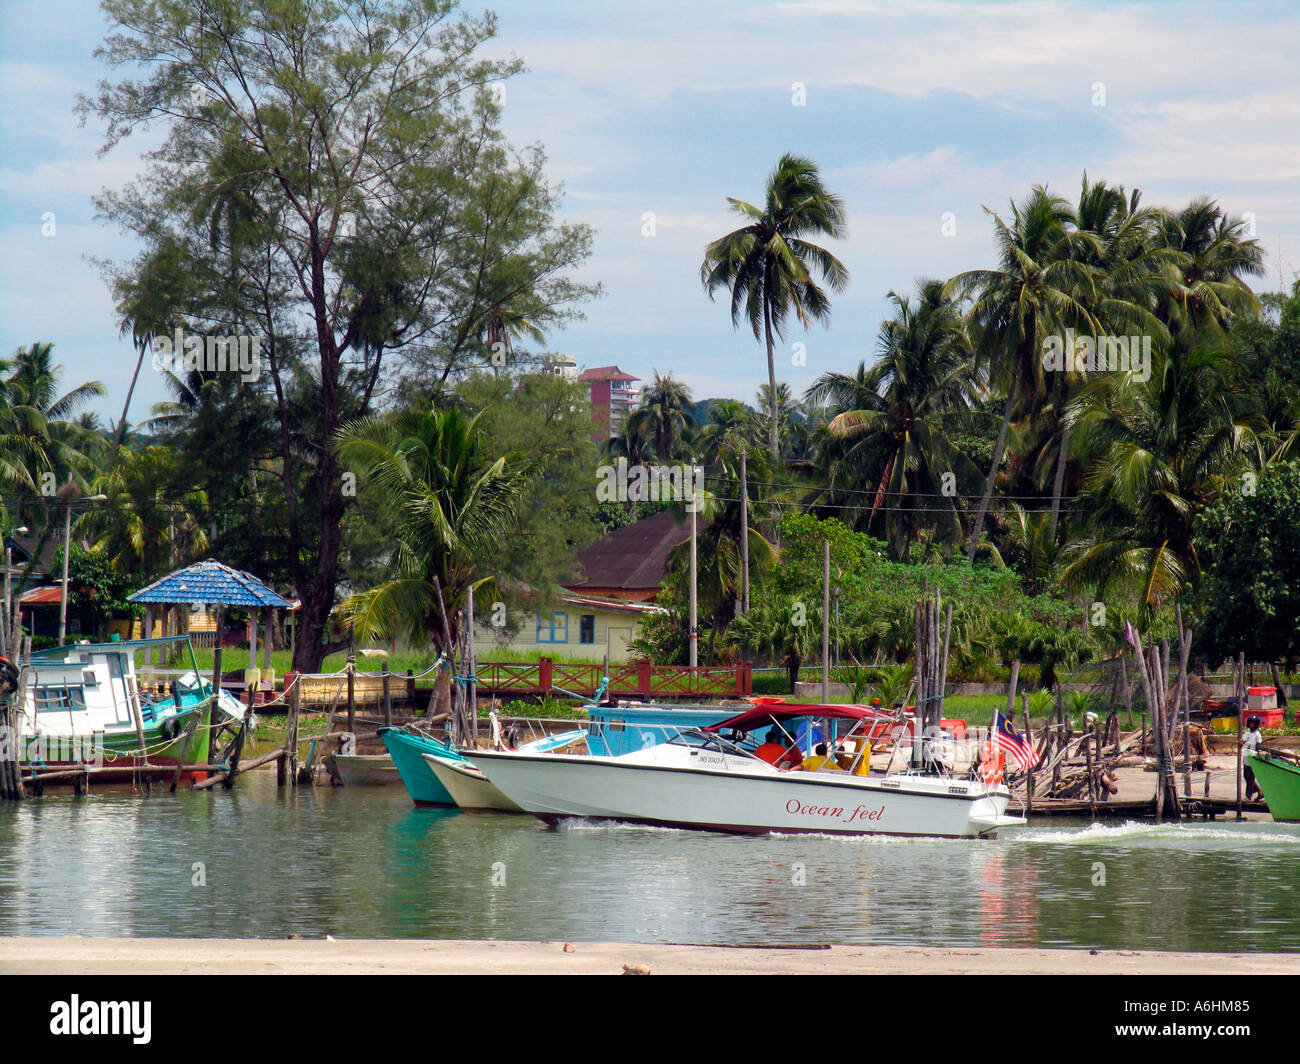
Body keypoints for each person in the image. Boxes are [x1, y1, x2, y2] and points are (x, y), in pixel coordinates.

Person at [1241, 715, 1263, 801]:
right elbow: (1243, 740)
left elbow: (1259, 746)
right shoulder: (1247, 733)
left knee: (1251, 778)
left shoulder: (1257, 735)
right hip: (1246, 757)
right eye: (1250, 723)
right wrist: (1241, 742)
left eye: (1253, 723)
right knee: (1246, 776)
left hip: (1253, 758)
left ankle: (1248, 796)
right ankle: (1259, 791)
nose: (1251, 725)